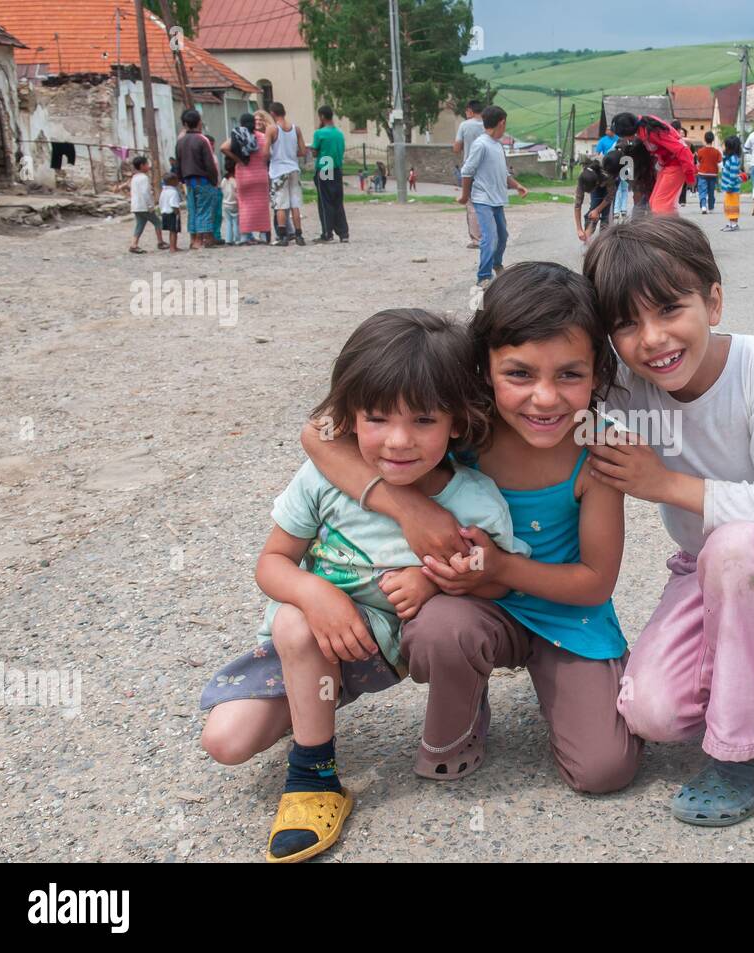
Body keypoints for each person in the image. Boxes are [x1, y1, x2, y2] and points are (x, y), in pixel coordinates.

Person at [300, 262, 642, 796]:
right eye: (520, 374)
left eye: (569, 374)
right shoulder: (461, 425)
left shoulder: (599, 450)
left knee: (605, 771)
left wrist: (502, 565)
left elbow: (595, 582)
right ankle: (459, 717)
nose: (545, 398)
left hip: (567, 617)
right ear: (483, 369)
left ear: (598, 373)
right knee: (441, 631)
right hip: (473, 606)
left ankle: (577, 684)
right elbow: (318, 433)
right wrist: (410, 509)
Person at [200, 309, 527, 862]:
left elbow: (496, 585)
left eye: (424, 420)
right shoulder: (323, 480)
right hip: (309, 644)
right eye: (377, 418)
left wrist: (434, 581)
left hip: (381, 648)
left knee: (292, 622)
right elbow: (273, 562)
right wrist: (314, 592)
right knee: (226, 743)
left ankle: (314, 778)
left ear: (458, 421)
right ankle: (311, 711)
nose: (398, 441)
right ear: (349, 415)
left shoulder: (474, 500)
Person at [583, 218, 754, 827]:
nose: (652, 339)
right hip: (702, 567)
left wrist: (663, 484)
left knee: (734, 548)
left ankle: (750, 756)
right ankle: (742, 671)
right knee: (653, 715)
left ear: (714, 300)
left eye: (671, 309)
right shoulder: (622, 388)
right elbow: (537, 397)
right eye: (625, 323)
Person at [458, 104, 528, 288]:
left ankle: (496, 263)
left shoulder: (497, 146)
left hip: (497, 200)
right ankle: (483, 278)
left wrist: (517, 185)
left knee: (503, 236)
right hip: (482, 200)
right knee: (490, 237)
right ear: (502, 122)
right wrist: (465, 195)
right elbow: (467, 171)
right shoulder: (481, 144)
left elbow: (504, 174)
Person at [609, 112, 696, 216]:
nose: (625, 139)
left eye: (623, 136)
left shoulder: (651, 132)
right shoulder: (643, 127)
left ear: (628, 131)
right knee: (654, 203)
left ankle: (668, 231)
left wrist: (690, 176)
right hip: (665, 165)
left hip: (676, 164)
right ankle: (677, 229)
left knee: (660, 207)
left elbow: (682, 150)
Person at [222, 112, 270, 244]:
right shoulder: (262, 137)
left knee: (245, 206)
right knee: (262, 206)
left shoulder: (238, 136)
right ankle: (263, 235)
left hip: (244, 175)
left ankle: (245, 236)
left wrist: (239, 160)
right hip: (260, 175)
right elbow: (268, 153)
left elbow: (223, 147)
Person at [175, 108, 220, 249]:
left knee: (192, 210)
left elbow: (178, 162)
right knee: (204, 210)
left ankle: (193, 239)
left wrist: (181, 179)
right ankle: (201, 240)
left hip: (188, 181)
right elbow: (209, 163)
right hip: (204, 180)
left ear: (184, 124)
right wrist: (214, 180)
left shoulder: (180, 142)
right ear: (199, 122)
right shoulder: (202, 140)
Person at [266, 101, 306, 246]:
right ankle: (299, 235)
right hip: (293, 168)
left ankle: (283, 236)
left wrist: (274, 155)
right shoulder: (296, 129)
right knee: (295, 204)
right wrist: (291, 154)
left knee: (281, 204)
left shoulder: (272, 129)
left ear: (272, 113)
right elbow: (303, 151)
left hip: (278, 170)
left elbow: (265, 152)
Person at [310, 104, 349, 243]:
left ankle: (327, 232)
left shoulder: (319, 133)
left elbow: (314, 151)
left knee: (325, 201)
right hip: (337, 168)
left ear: (321, 116)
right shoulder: (339, 133)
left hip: (325, 166)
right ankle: (343, 233)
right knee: (337, 200)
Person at [453, 100, 486, 248]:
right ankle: (491, 236)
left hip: (470, 168)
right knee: (488, 202)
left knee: (472, 205)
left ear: (470, 111)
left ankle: (477, 239)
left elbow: (457, 147)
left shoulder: (465, 125)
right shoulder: (488, 124)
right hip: (487, 168)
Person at [125, 155, 166, 254]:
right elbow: (145, 193)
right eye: (147, 164)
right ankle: (160, 242)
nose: (149, 166)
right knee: (158, 222)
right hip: (144, 206)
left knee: (140, 224)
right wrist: (150, 206)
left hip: (136, 206)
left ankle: (134, 244)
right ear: (142, 165)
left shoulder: (134, 177)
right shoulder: (144, 178)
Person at [573, 159, 613, 243]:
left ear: (597, 183)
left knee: (606, 215)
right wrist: (579, 229)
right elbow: (577, 205)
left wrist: (598, 210)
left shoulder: (606, 175)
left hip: (608, 186)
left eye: (590, 191)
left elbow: (610, 196)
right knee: (593, 211)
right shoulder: (583, 179)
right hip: (594, 182)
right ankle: (587, 239)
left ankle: (604, 242)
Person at [719, 134, 747, 232]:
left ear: (729, 147)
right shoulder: (731, 158)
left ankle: (734, 225)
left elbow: (733, 175)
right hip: (729, 188)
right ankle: (730, 223)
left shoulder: (733, 159)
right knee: (728, 206)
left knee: (732, 207)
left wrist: (730, 186)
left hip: (731, 188)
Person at [695, 130, 721, 214]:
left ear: (705, 139)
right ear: (713, 140)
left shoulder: (700, 151)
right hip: (713, 174)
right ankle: (711, 207)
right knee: (711, 191)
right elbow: (719, 162)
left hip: (702, 173)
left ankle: (703, 206)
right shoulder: (717, 152)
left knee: (702, 190)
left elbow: (698, 162)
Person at [159, 172, 183, 252]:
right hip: (172, 213)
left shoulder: (163, 191)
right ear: (172, 181)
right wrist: (177, 213)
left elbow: (160, 202)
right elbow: (174, 204)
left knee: (171, 231)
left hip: (164, 213)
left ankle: (173, 246)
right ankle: (173, 247)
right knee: (174, 231)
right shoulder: (173, 192)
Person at [221, 159, 240, 245]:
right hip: (234, 204)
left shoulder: (224, 180)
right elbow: (237, 191)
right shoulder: (235, 181)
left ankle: (228, 239)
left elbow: (221, 189)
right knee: (236, 222)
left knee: (228, 222)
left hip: (225, 203)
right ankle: (237, 239)